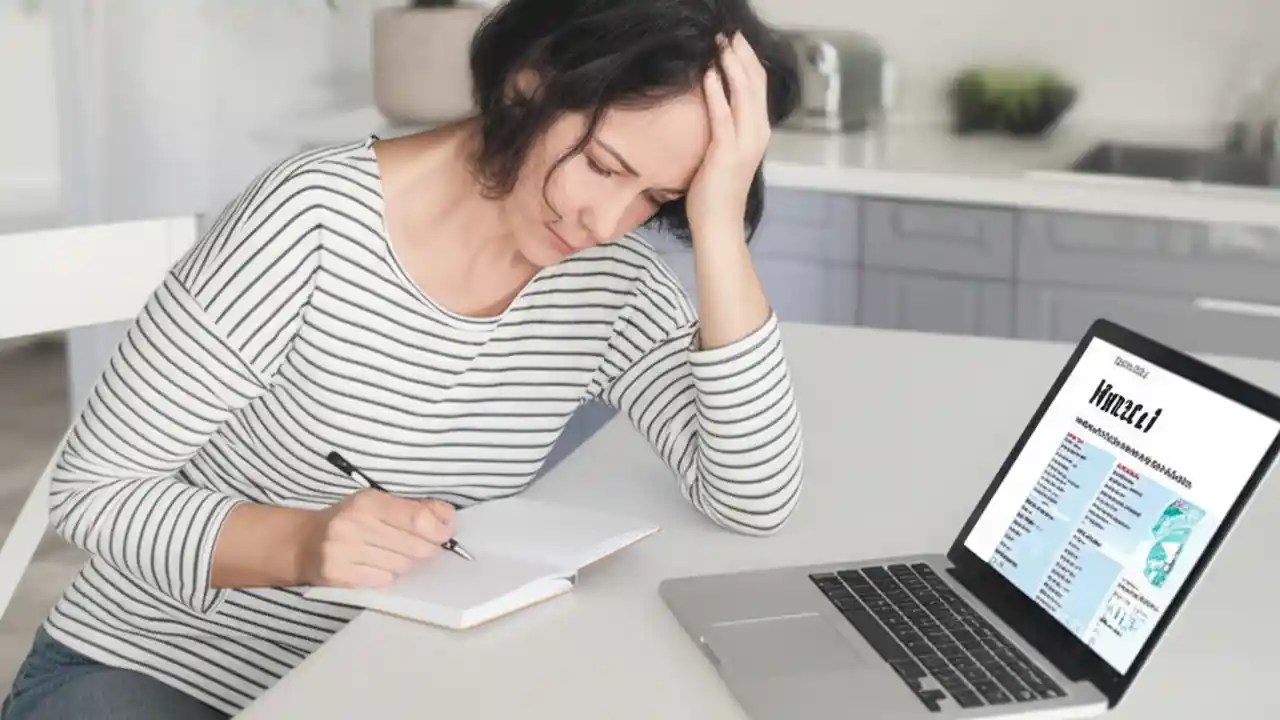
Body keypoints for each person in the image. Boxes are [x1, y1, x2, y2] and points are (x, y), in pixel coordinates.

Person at [1, 0, 804, 717]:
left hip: (380, 681)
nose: (605, 221)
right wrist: (302, 545)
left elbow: (752, 495)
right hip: (153, 670)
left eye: (658, 200)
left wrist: (721, 224)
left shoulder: (611, 286)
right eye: (603, 167)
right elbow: (93, 493)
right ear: (531, 81)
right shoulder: (310, 222)